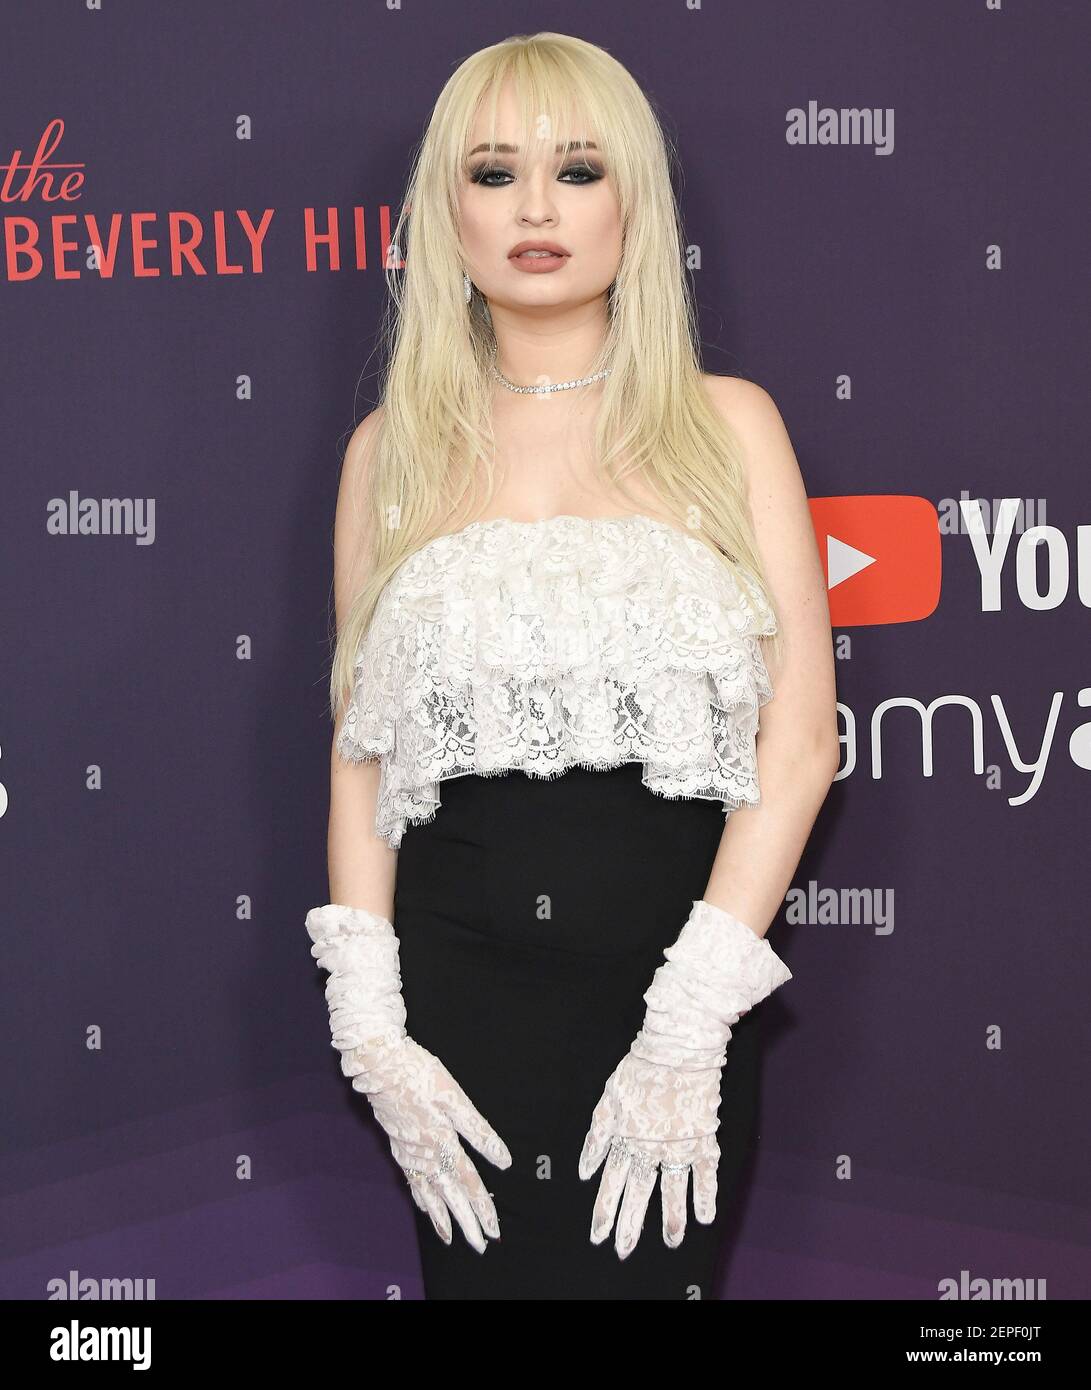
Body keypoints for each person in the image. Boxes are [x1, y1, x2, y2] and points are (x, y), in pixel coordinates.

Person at [305, 32, 838, 1301]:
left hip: (668, 987)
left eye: (578, 167)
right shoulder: (389, 451)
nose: (535, 206)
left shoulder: (729, 423)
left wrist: (687, 1021)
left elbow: (802, 738)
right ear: (448, 213)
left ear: (633, 206)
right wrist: (372, 1025)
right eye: (493, 172)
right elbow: (362, 748)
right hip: (456, 999)